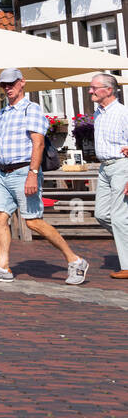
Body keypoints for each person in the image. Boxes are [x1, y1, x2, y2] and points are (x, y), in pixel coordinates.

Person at [0, 69, 88, 285]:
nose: (7, 88)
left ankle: (75, 260)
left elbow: (39, 143)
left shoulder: (31, 109)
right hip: (3, 172)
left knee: (33, 221)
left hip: (25, 170)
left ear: (22, 83)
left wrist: (33, 174)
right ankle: (2, 266)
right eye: (3, 85)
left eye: (11, 84)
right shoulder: (4, 111)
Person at [89, 72, 128, 279]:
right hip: (104, 168)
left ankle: (127, 265)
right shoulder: (98, 114)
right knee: (101, 214)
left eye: (94, 88)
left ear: (109, 90)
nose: (90, 91)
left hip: (122, 167)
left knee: (120, 218)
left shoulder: (123, 113)